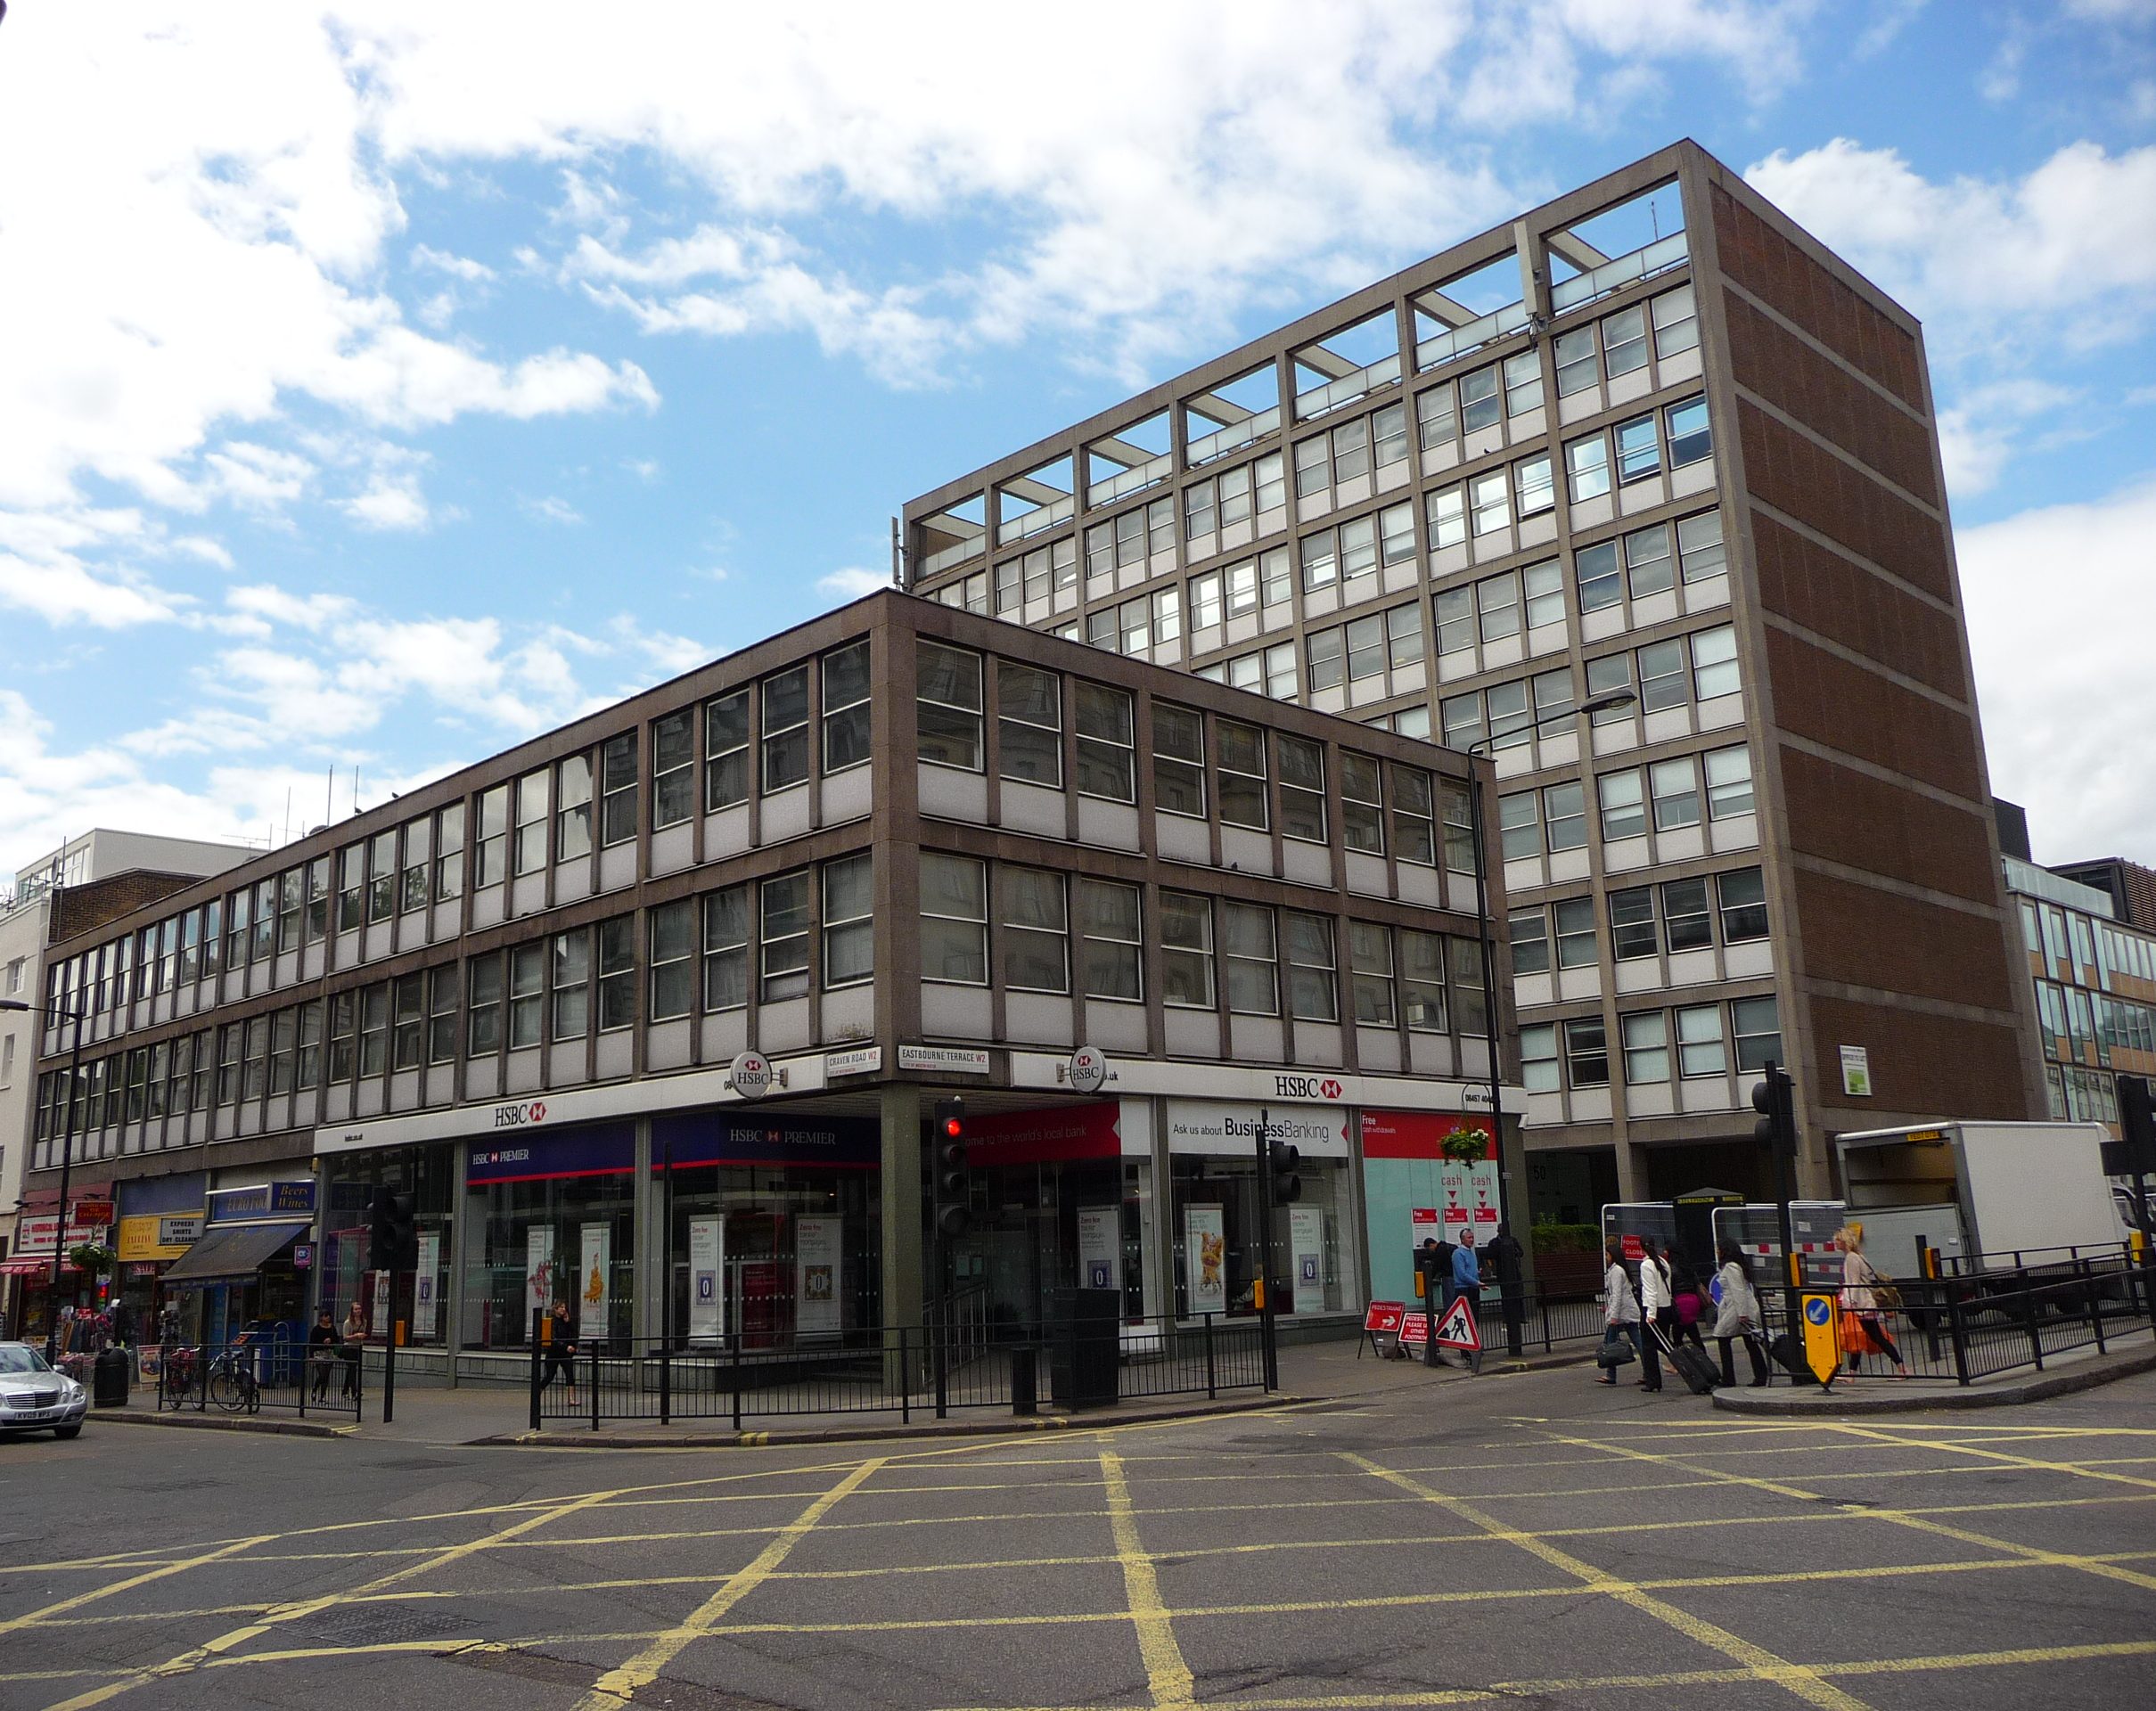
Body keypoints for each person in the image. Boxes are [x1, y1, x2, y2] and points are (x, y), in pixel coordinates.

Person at [1837, 1224, 1907, 1377]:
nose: (1835, 1243)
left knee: (1868, 1336)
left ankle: (1902, 1368)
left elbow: (1853, 1283)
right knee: (1865, 1336)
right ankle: (1852, 1373)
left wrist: (1849, 1304)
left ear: (1844, 1242)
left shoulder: (1851, 1258)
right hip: (1865, 1304)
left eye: (1837, 1240)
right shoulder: (1858, 1256)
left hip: (1860, 1305)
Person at [1711, 1241, 1769, 1388]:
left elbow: (1738, 1291)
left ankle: (1729, 1379)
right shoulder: (1737, 1266)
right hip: (1740, 1306)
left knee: (1722, 1338)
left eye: (1719, 1249)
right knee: (1750, 1342)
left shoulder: (1731, 1267)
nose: (1717, 1252)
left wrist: (1742, 1313)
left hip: (1736, 1308)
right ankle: (1761, 1375)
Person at [1599, 1237, 1641, 1385]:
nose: (1605, 1257)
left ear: (1613, 1255)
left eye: (1607, 1255)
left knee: (1610, 1343)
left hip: (1621, 1314)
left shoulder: (1617, 1271)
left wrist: (1613, 1316)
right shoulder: (1618, 1270)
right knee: (1638, 1342)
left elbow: (1616, 1295)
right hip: (1624, 1312)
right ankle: (1649, 1370)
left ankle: (1611, 1375)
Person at [1486, 1224, 1526, 1357]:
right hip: (1503, 1273)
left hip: (1515, 1272)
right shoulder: (1494, 1242)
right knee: (1505, 1296)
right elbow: (1489, 1255)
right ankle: (1507, 1316)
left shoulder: (1513, 1240)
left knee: (1519, 1294)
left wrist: (1513, 1251)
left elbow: (1521, 1252)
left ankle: (1521, 1315)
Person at [1635, 1237, 1668, 1391]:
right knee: (1664, 1343)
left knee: (1648, 1347)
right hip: (1666, 1307)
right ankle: (1686, 1366)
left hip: (1652, 1309)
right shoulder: (1663, 1262)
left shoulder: (1646, 1265)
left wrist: (1651, 1314)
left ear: (1641, 1247)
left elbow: (1650, 1291)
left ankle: (1653, 1381)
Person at [1663, 1240, 1708, 1352]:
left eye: (1666, 1251)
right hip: (1693, 1301)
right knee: (1689, 1333)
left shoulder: (1670, 1268)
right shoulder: (1688, 1267)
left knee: (1680, 1337)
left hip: (1680, 1304)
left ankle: (1682, 1364)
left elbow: (1669, 1288)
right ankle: (1701, 1360)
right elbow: (1697, 1283)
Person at [1447, 1230, 1482, 1371]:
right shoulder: (1458, 1253)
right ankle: (1465, 1351)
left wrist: (1477, 1277)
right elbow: (1461, 1274)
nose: (1472, 1239)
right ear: (1462, 1239)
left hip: (1473, 1287)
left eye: (1472, 1237)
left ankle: (1473, 1347)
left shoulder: (1470, 1252)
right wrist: (1476, 1282)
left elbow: (1470, 1271)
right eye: (1469, 1237)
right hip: (1463, 1289)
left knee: (1474, 1318)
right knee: (1465, 1321)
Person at [540, 1298, 579, 1404]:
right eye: (561, 1307)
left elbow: (573, 1332)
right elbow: (552, 1338)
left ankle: (571, 1399)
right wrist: (565, 1347)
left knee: (570, 1374)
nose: (563, 1309)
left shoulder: (565, 1321)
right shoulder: (552, 1321)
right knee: (550, 1375)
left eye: (564, 1307)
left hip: (565, 1353)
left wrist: (568, 1322)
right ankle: (538, 1391)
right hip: (554, 1352)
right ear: (556, 1309)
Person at [307, 1308, 340, 1402]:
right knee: (322, 1374)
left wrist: (331, 1341)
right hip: (319, 1353)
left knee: (326, 1375)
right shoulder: (316, 1329)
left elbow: (337, 1340)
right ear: (321, 1317)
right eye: (325, 1316)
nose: (328, 1318)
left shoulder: (332, 1328)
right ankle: (315, 1389)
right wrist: (311, 1355)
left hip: (329, 1353)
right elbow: (312, 1342)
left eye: (329, 1315)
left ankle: (322, 1395)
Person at [339, 1300, 367, 1399]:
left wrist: (362, 1336)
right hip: (349, 1348)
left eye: (359, 1309)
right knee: (352, 1369)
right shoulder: (348, 1322)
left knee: (351, 1370)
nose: (358, 1311)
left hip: (358, 1347)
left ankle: (345, 1391)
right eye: (356, 1309)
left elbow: (364, 1332)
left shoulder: (364, 1321)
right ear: (352, 1311)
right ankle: (355, 1392)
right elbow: (345, 1337)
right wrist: (356, 1335)